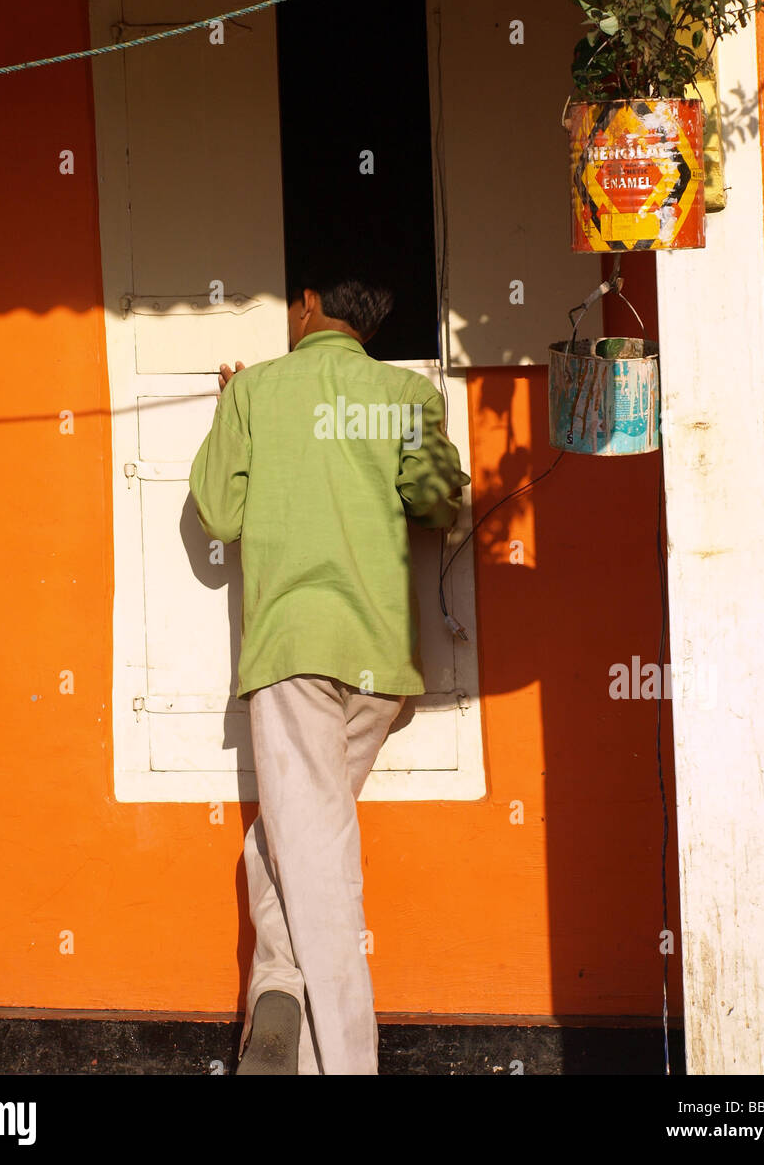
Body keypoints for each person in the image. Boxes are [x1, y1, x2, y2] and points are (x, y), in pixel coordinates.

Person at [188, 260, 470, 1075]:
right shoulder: (408, 398)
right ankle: (277, 989)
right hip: (379, 663)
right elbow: (442, 504)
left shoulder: (256, 392)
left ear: (309, 304)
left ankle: (343, 1059)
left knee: (316, 858)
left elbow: (218, 511)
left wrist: (229, 415)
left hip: (292, 653)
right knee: (294, 839)